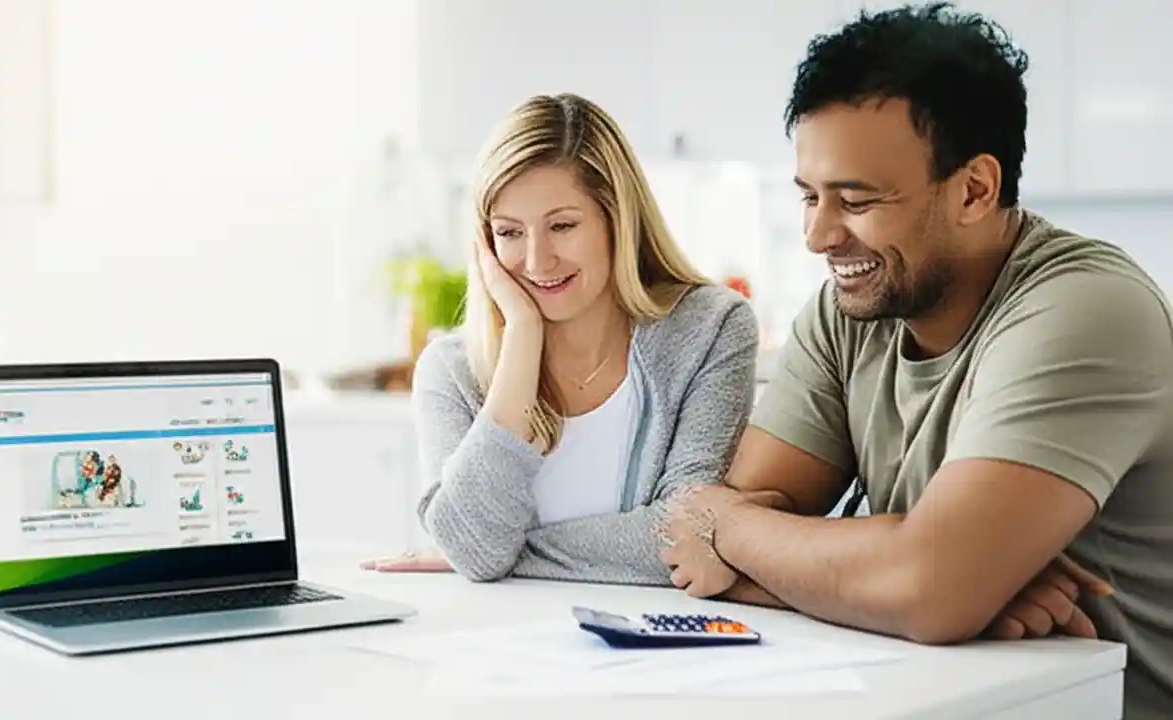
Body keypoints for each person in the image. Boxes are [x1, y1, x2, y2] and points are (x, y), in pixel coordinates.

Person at [659, 4, 1173, 717]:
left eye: (856, 200)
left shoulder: (1087, 309)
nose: (818, 236)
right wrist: (932, 584)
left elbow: (921, 588)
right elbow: (698, 547)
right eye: (809, 197)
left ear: (974, 190)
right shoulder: (849, 310)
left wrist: (927, 583)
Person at [362, 93, 757, 584]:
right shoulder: (451, 370)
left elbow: (686, 537)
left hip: (650, 631)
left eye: (562, 226)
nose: (536, 261)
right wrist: (521, 337)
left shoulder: (710, 329)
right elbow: (477, 553)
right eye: (510, 233)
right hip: (505, 631)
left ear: (618, 220)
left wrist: (507, 554)